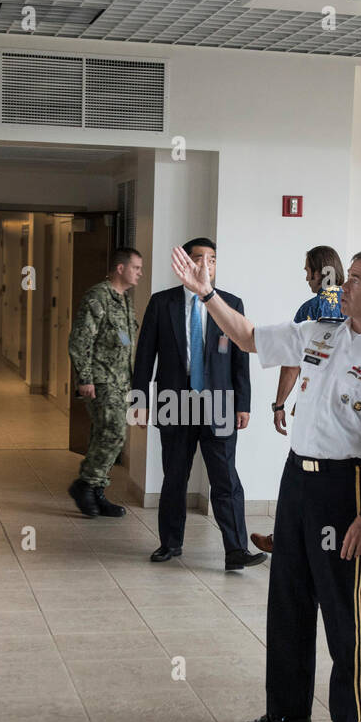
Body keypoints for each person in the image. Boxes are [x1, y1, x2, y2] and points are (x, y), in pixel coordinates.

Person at [170, 245, 361, 722]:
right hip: (297, 479)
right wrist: (208, 294)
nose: (343, 285)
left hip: (344, 485)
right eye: (345, 276)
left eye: (355, 279)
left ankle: (345, 719)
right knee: (287, 599)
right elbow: (245, 336)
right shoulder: (319, 332)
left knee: (340, 606)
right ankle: (287, 708)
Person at [131, 237, 265, 571]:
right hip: (173, 401)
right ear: (186, 265)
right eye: (199, 258)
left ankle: (236, 550)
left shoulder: (230, 303)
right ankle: (170, 543)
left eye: (213, 259)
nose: (206, 265)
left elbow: (240, 357)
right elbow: (145, 354)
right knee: (175, 476)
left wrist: (243, 403)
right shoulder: (162, 303)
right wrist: (140, 400)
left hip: (219, 402)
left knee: (225, 479)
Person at [252, 245, 347, 555]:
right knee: (335, 482)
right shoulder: (356, 305)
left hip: (314, 410)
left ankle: (288, 541)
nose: (306, 276)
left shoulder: (312, 308)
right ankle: (325, 541)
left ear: (320, 272)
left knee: (302, 477)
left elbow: (292, 361)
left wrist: (279, 404)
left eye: (308, 270)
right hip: (348, 413)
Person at [67, 248, 144, 518]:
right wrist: (85, 378)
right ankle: (85, 484)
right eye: (136, 268)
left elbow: (125, 342)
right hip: (100, 380)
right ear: (120, 268)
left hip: (120, 380)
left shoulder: (124, 300)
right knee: (114, 433)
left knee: (102, 434)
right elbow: (80, 340)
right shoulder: (98, 296)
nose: (140, 273)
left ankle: (98, 492)